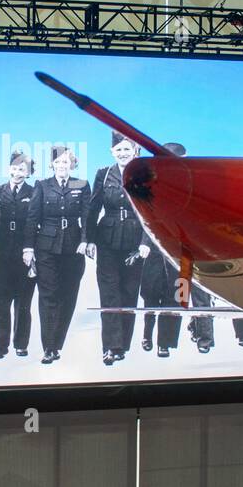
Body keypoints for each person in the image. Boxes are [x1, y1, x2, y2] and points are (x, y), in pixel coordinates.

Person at [22, 144, 92, 364]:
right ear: (52, 164)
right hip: (46, 249)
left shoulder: (82, 184)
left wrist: (85, 240)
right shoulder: (42, 186)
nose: (62, 166)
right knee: (48, 296)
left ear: (72, 164)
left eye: (66, 162)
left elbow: (87, 216)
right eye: (58, 162)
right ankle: (49, 347)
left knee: (68, 296)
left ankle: (57, 342)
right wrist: (28, 247)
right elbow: (32, 218)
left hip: (73, 248)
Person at [87, 132, 149, 365]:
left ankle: (123, 345)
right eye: (119, 149)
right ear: (112, 151)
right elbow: (93, 209)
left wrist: (145, 243)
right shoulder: (103, 174)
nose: (123, 153)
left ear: (135, 151)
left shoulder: (145, 174)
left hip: (134, 240)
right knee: (109, 292)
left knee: (129, 292)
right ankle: (110, 346)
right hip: (107, 240)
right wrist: (89, 239)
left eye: (127, 149)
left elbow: (151, 212)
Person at [0, 151, 37, 360]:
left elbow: (35, 223)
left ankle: (21, 344)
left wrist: (30, 250)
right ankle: (1, 344)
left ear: (29, 173)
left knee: (23, 301)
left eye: (22, 170)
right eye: (15, 168)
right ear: (9, 168)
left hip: (25, 252)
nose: (18, 173)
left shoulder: (35, 192)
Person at [139, 142, 187, 357]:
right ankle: (147, 334)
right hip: (156, 246)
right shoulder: (149, 186)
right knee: (150, 293)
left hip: (182, 250)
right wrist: (144, 244)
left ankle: (165, 343)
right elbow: (144, 217)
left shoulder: (191, 186)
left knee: (177, 296)